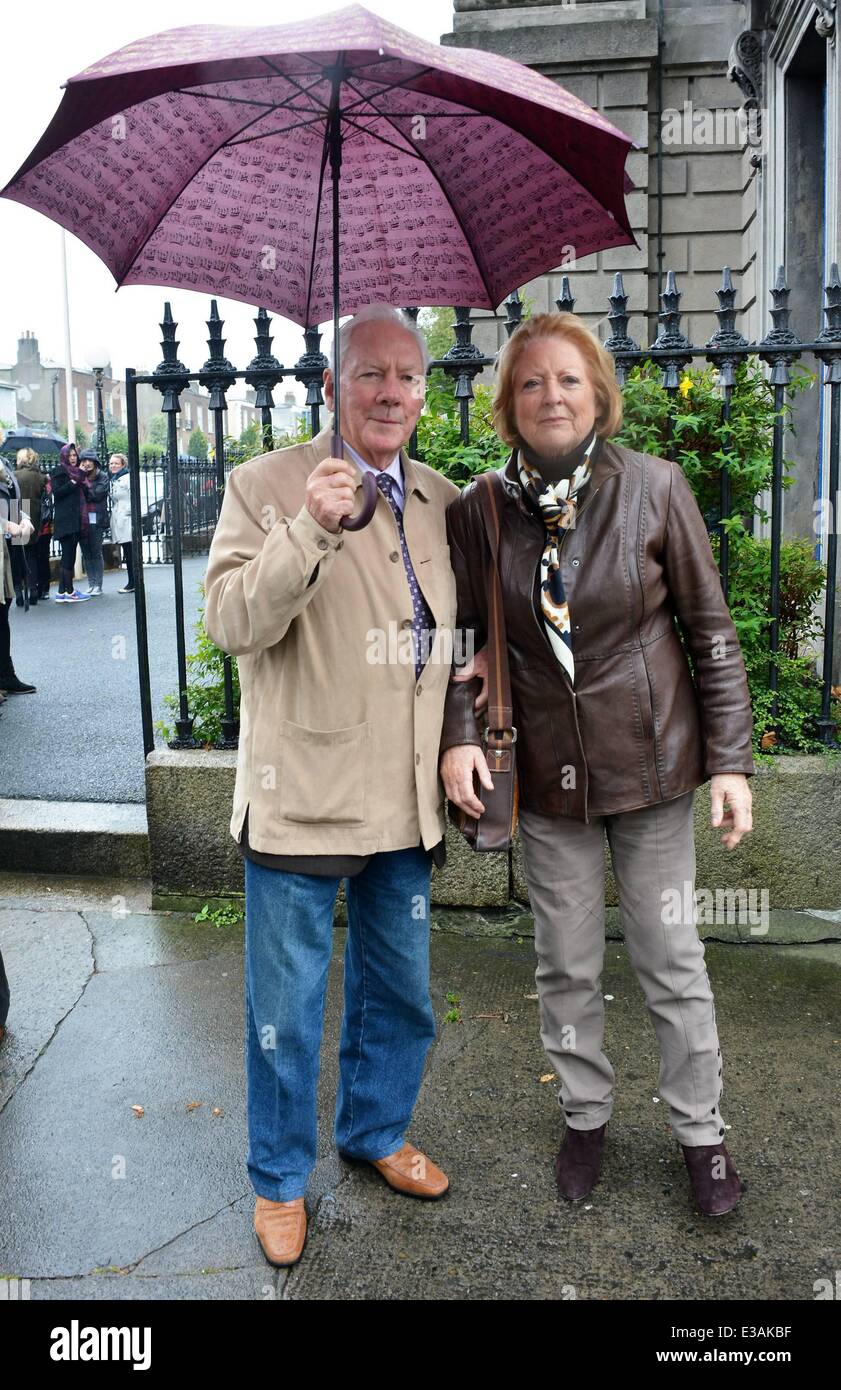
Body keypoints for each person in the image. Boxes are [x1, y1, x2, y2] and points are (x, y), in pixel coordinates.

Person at [440, 312, 755, 1218]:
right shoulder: (476, 510)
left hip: (651, 771)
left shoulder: (656, 489)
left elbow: (710, 631)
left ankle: (700, 1133)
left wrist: (728, 761)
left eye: (568, 379)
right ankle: (584, 1117)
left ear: (599, 394)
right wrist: (462, 731)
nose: (551, 396)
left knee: (669, 957)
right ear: (506, 403)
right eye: (531, 382)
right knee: (566, 963)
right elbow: (466, 638)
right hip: (542, 776)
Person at [204, 304, 459, 1269]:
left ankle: (375, 1130)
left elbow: (452, 645)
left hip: (404, 797)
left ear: (424, 392)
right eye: (370, 374)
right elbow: (232, 622)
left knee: (400, 994)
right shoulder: (264, 484)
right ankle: (277, 1178)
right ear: (331, 386)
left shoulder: (438, 499)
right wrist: (307, 527)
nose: (391, 393)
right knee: (285, 1009)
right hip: (303, 791)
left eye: (408, 376)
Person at [0, 456, 36, 695]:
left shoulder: (4, 464)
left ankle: (6, 676)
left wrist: (24, 519)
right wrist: (5, 523)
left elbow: (13, 502)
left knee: (3, 615)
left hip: (6, 552)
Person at [50, 443, 91, 602]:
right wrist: (75, 481)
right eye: (70, 455)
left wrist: (81, 479)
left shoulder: (79, 473)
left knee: (69, 556)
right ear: (64, 456)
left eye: (75, 455)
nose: (73, 458)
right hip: (66, 520)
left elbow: (86, 493)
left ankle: (62, 592)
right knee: (68, 557)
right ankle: (70, 591)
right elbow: (58, 493)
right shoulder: (59, 471)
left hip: (76, 520)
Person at [12, 448, 46, 606]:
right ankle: (33, 589)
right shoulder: (40, 476)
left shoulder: (14, 475)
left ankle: (18, 592)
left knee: (16, 556)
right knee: (31, 555)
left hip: (16, 514)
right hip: (34, 516)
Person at [78, 449, 109, 595]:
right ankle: (91, 583)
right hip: (82, 519)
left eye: (90, 460)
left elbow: (95, 495)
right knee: (86, 552)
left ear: (95, 462)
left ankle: (98, 585)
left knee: (96, 552)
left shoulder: (102, 477)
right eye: (84, 460)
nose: (87, 463)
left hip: (97, 518)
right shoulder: (79, 476)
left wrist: (83, 481)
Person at [108, 453, 134, 593]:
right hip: (119, 516)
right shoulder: (114, 479)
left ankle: (133, 582)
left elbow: (134, 496)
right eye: (111, 463)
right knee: (127, 551)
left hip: (127, 518)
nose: (113, 466)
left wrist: (130, 512)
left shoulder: (127, 478)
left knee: (130, 552)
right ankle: (132, 581)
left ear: (123, 464)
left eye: (116, 463)